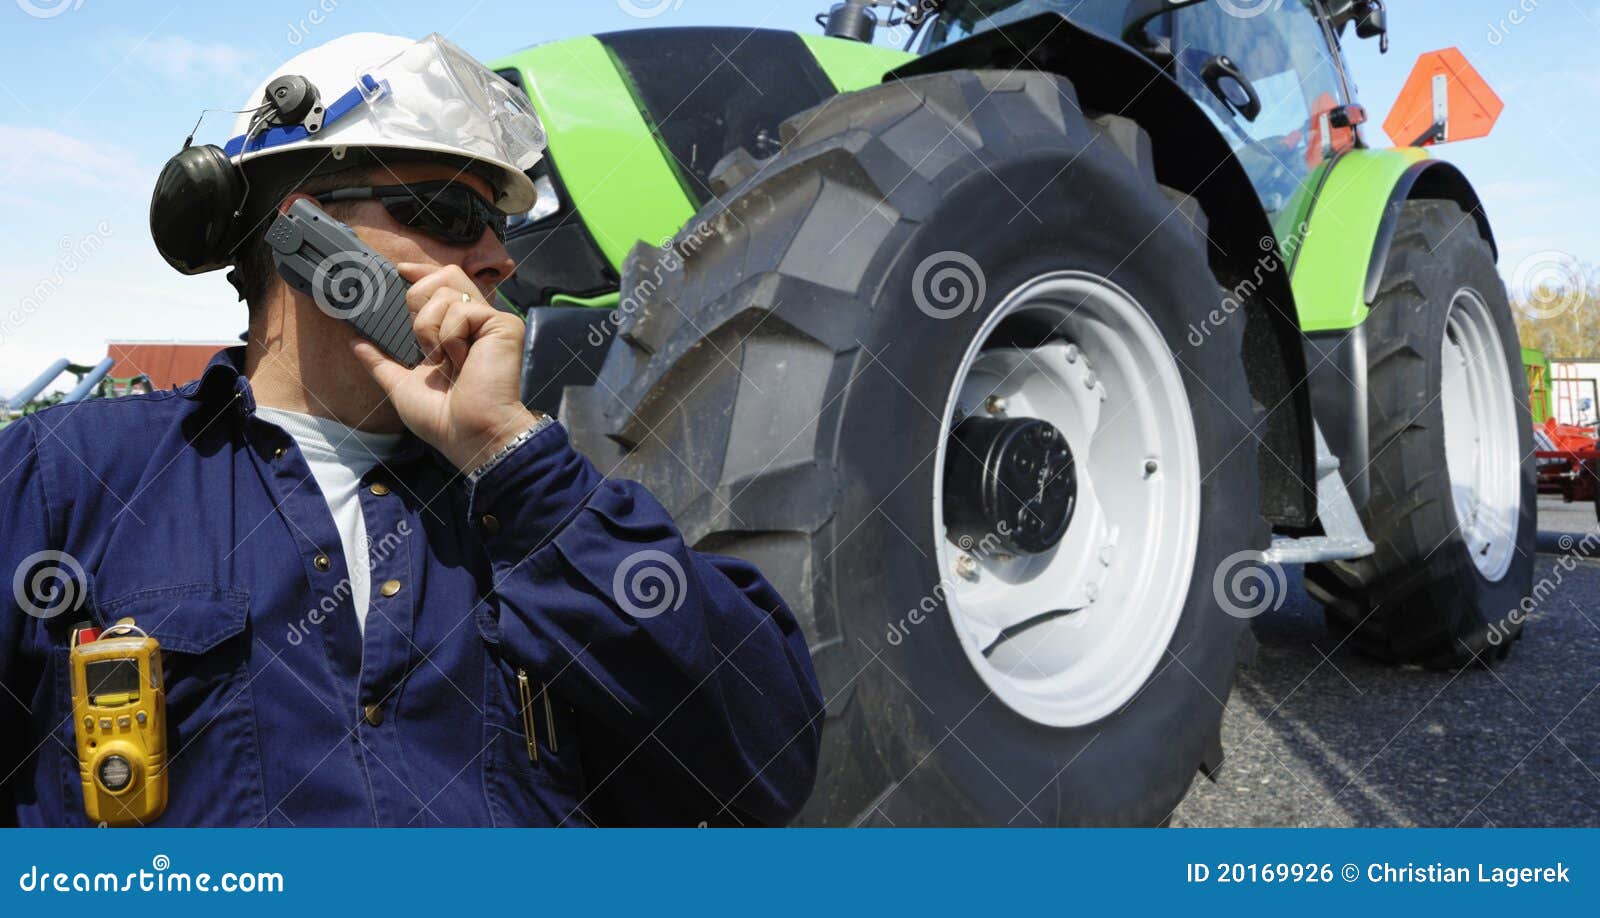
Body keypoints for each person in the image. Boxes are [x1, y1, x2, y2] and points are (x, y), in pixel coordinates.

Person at [0, 32, 822, 827]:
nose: (499, 259)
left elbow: (770, 761)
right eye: (451, 212)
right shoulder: (65, 481)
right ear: (304, 235)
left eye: (504, 227)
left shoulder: (548, 507)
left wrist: (512, 463)